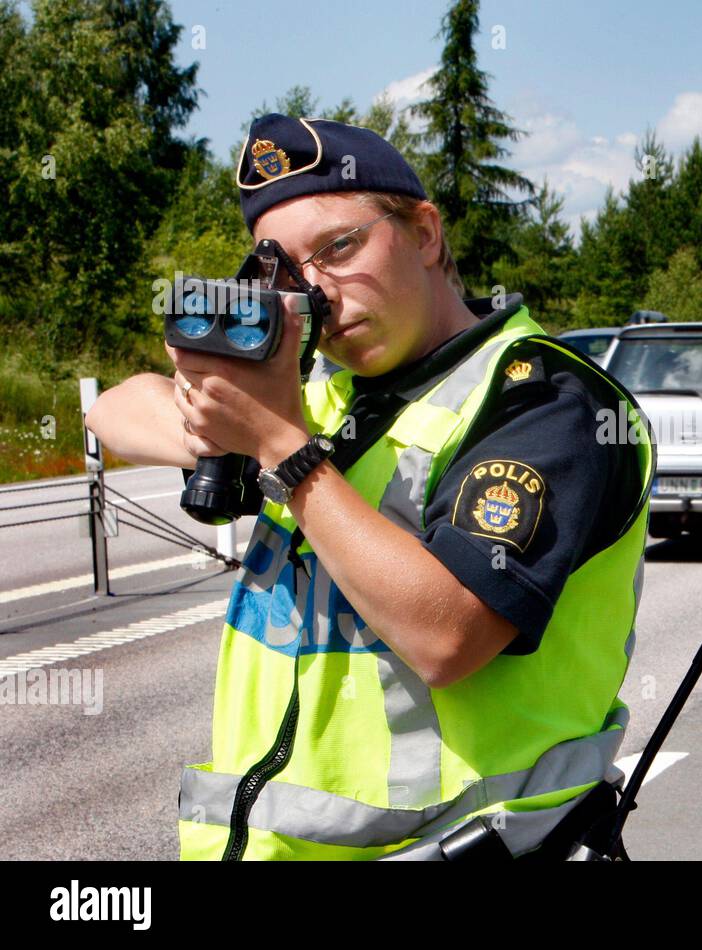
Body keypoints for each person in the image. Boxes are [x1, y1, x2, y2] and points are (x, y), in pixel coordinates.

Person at [85, 113, 653, 860]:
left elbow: (447, 636)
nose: (318, 292)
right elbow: (114, 407)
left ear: (424, 233)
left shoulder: (547, 403)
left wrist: (282, 451)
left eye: (340, 247)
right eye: (289, 270)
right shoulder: (329, 395)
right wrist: (208, 424)